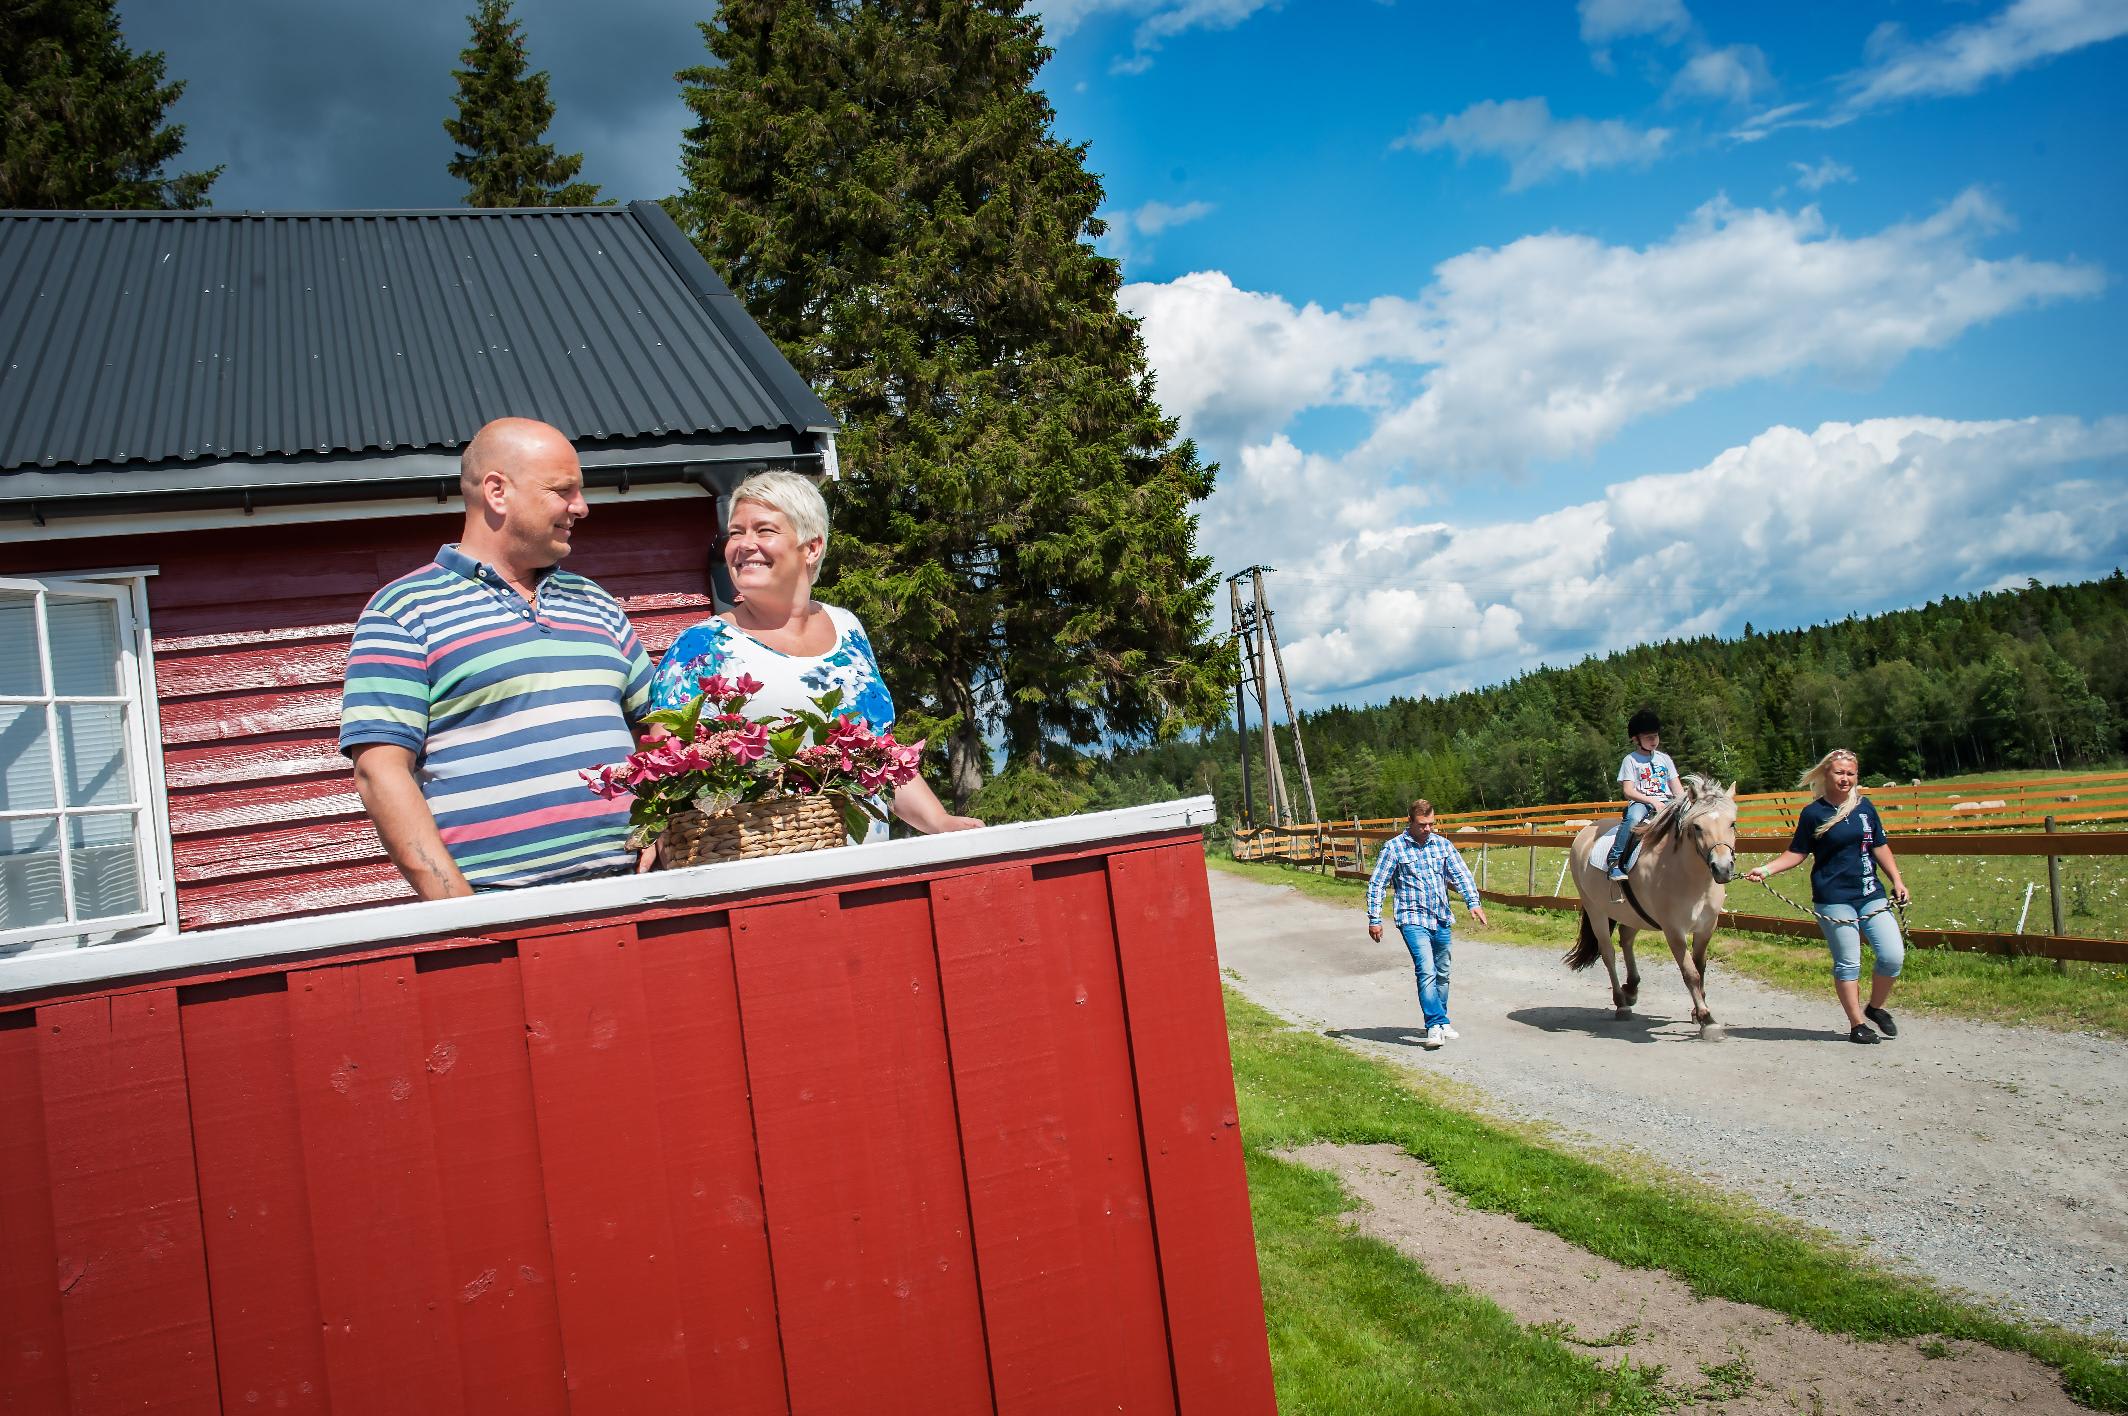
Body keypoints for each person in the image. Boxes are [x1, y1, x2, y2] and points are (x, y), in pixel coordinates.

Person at [340, 417, 655, 897]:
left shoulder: (593, 600)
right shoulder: (403, 610)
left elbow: (660, 722)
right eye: (563, 490)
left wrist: (666, 818)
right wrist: (459, 910)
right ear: (497, 491)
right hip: (500, 911)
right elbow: (379, 771)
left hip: (638, 892)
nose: (582, 507)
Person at [648, 469, 980, 836]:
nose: (743, 544)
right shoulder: (700, 646)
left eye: (764, 530)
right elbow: (664, 767)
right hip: (765, 866)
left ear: (812, 547)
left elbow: (876, 755)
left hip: (866, 862)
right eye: (736, 532)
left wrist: (939, 821)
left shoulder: (847, 628)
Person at [1745, 748, 1912, 1044]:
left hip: (1871, 893)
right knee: (1848, 963)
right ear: (1826, 774)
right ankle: (1857, 1024)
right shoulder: (1813, 813)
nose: (1845, 779)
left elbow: (1880, 846)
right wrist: (1766, 870)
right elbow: (1797, 852)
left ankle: (1875, 1008)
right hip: (1834, 898)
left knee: (1892, 956)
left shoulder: (1865, 808)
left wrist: (1897, 880)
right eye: (1839, 773)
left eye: (1850, 774)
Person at [1365, 799, 1489, 1050]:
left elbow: (1461, 874)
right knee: (1426, 970)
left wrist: (1473, 902)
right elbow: (1378, 883)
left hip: (1441, 917)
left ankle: (1442, 1020)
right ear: (1410, 822)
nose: (1428, 829)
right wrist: (1375, 919)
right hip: (1412, 919)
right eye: (1422, 825)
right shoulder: (1394, 848)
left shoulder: (1443, 846)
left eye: (1431, 824)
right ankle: (1434, 1024)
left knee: (1443, 972)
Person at [1608, 708, 1679, 881]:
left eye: (1655, 736)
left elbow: (1677, 787)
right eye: (1648, 737)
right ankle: (1614, 862)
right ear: (1636, 739)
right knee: (1632, 819)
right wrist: (1651, 800)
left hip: (1666, 801)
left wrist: (1685, 803)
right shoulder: (1630, 760)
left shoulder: (1665, 759)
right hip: (1641, 802)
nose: (1654, 740)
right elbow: (1628, 791)